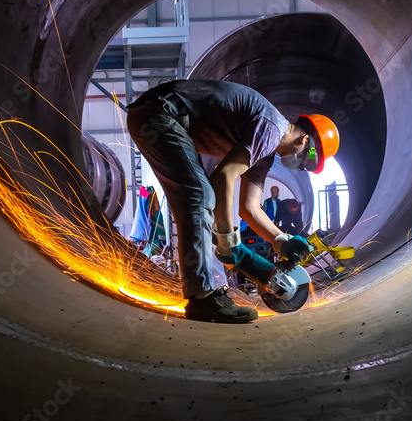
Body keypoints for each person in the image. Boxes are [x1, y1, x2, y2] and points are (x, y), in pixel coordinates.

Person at [126, 79, 340, 323]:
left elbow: (250, 208)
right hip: (159, 114)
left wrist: (281, 241)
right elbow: (224, 177)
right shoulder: (271, 128)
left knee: (201, 197)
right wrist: (229, 242)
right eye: (309, 160)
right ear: (305, 140)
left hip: (165, 119)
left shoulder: (265, 155)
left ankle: (203, 290)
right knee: (200, 194)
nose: (303, 166)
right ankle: (203, 298)